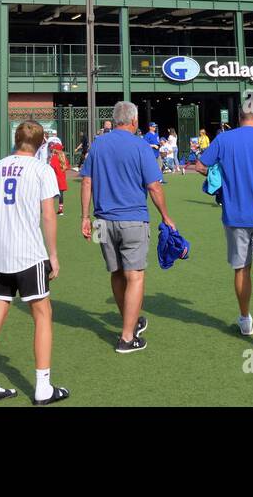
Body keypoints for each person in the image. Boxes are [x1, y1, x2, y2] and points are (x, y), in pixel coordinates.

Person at [0, 120, 69, 405]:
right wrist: (54, 255)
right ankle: (43, 387)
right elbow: (48, 215)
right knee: (43, 315)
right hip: (29, 255)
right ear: (40, 145)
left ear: (16, 140)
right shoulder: (42, 170)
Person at [190, 98, 253, 352]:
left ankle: (246, 319)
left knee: (241, 269)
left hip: (236, 216)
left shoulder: (225, 140)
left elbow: (200, 165)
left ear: (239, 118)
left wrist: (219, 174)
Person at [79, 100, 177, 354]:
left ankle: (129, 323)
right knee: (135, 275)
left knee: (115, 272)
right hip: (133, 218)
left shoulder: (99, 144)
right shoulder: (141, 146)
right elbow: (154, 186)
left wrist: (84, 217)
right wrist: (166, 216)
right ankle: (126, 337)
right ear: (133, 121)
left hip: (102, 219)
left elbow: (86, 181)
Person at [50, 144, 69, 216]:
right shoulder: (63, 157)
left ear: (55, 150)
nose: (52, 150)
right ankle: (60, 210)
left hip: (55, 178)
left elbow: (51, 167)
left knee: (51, 194)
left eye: (53, 149)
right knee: (61, 194)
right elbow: (67, 167)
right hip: (62, 178)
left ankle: (50, 209)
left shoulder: (54, 157)